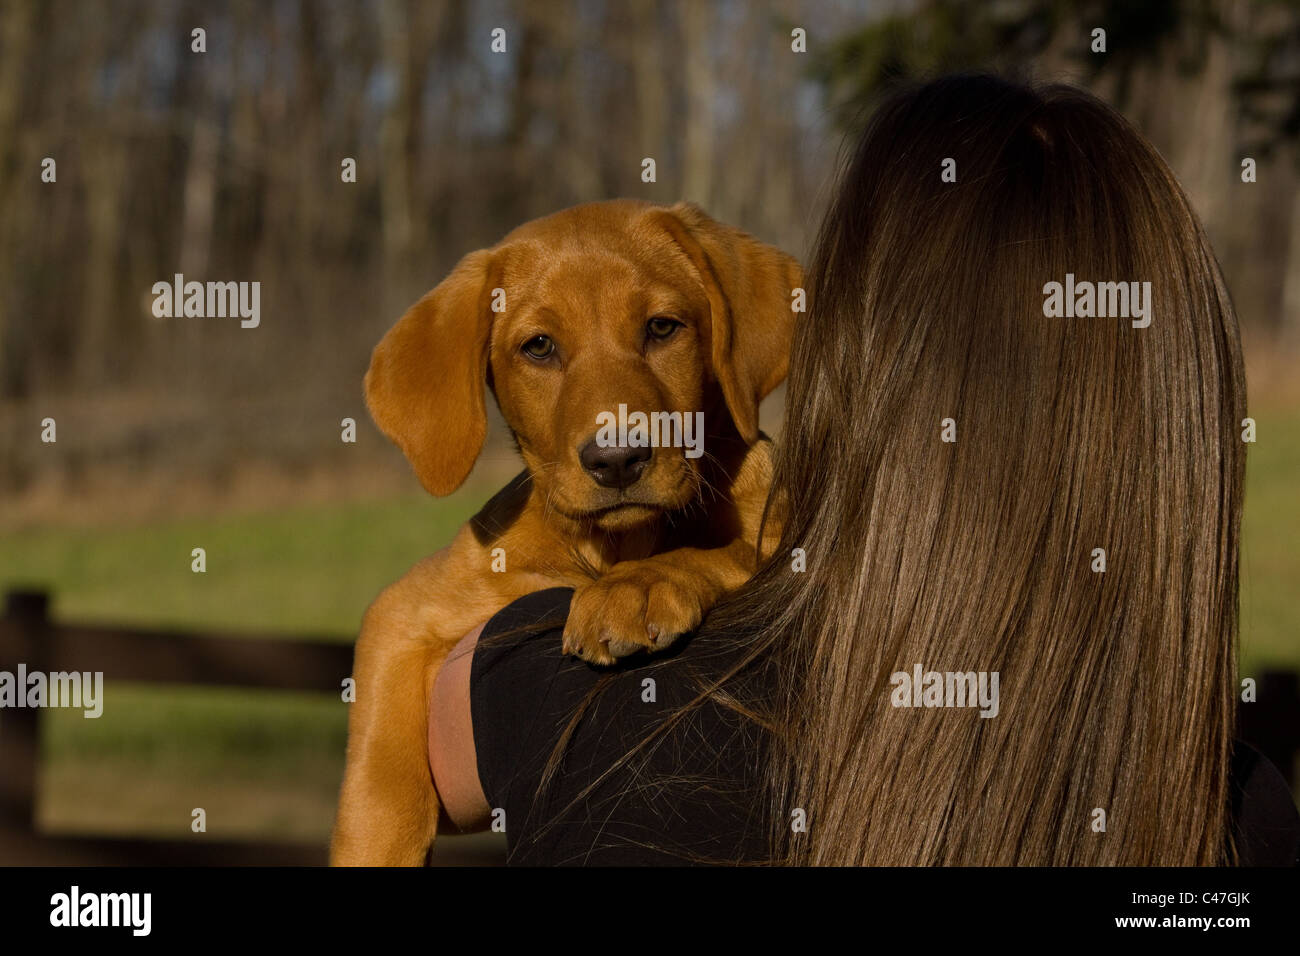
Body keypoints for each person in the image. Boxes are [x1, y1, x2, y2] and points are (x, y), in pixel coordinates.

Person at [425, 74, 1300, 866]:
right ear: (1188, 433)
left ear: (852, 365)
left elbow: (435, 699)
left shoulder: (565, 688)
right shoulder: (1243, 817)